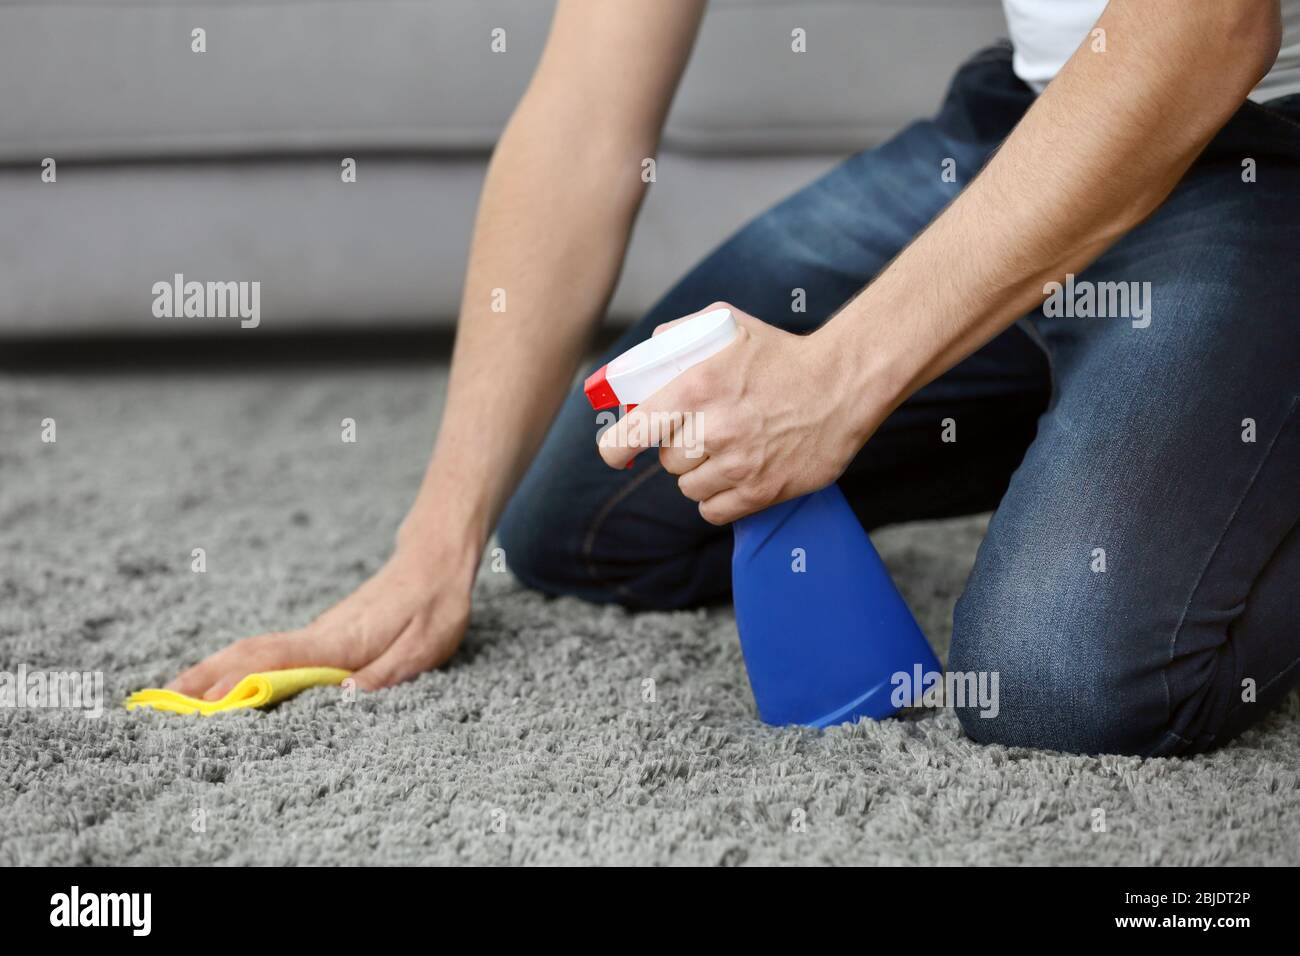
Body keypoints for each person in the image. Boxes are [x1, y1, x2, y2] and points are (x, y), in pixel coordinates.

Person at [168, 0, 1300, 756]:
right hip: (1036, 123)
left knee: (1066, 679)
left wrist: (841, 380)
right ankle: (1119, 411)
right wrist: (430, 552)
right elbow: (584, 115)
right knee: (586, 519)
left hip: (1258, 138)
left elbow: (1207, 25)